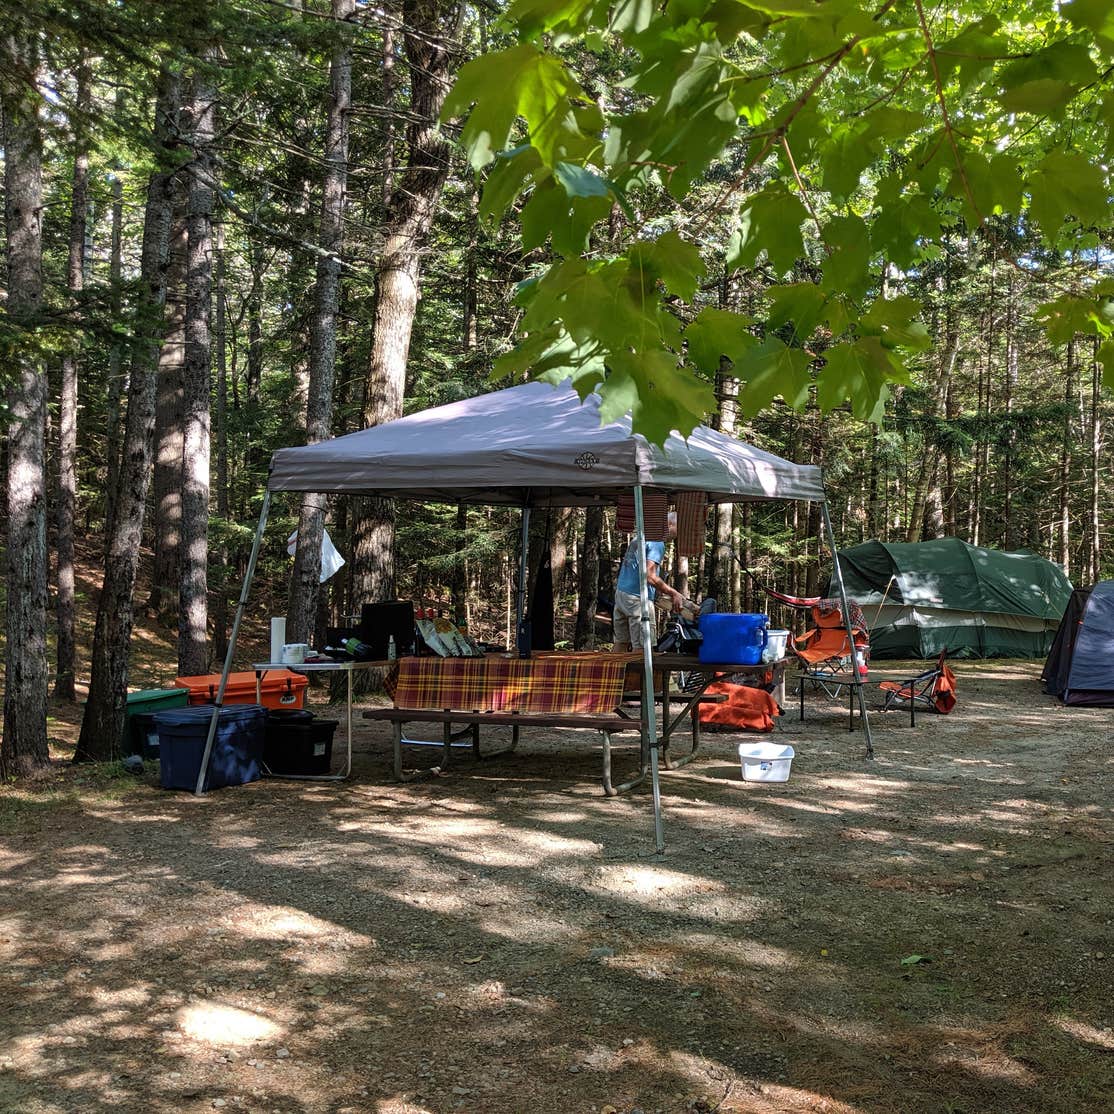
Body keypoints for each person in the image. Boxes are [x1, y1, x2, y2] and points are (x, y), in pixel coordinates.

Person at [612, 512, 685, 652]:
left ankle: (613, 674)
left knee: (621, 643)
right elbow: (649, 576)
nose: (680, 532)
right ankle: (641, 675)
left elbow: (637, 568)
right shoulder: (657, 542)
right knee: (643, 648)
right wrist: (673, 592)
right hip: (638, 599)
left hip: (622, 594)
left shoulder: (641, 537)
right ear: (669, 525)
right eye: (679, 527)